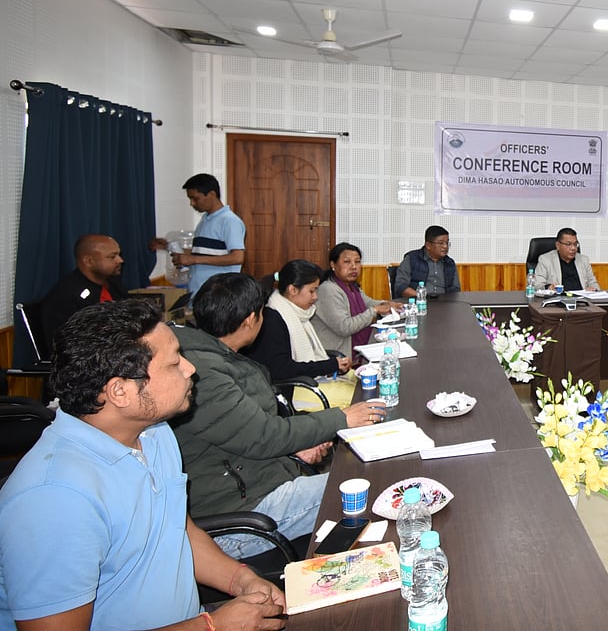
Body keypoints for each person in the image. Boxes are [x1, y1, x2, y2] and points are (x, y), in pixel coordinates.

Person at [0, 300, 286, 631]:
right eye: (174, 362)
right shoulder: (54, 499)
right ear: (120, 391)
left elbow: (178, 531)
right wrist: (214, 626)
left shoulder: (153, 433)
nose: (190, 368)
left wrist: (242, 580)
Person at [171, 274, 384, 559]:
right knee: (372, 488)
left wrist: (294, 448)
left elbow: (244, 431)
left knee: (362, 476)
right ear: (250, 319)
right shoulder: (204, 375)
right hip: (244, 513)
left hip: (259, 479)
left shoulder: (216, 356)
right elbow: (263, 436)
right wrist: (340, 419)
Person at [243, 259, 351, 385]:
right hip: (291, 390)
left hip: (306, 381)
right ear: (293, 290)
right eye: (312, 291)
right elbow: (282, 369)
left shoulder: (298, 313)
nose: (315, 297)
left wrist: (334, 364)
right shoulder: (272, 318)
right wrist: (329, 365)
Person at [151, 173, 246, 299]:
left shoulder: (230, 221)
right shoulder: (204, 221)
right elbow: (203, 253)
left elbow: (237, 257)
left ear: (211, 194)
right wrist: (169, 247)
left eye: (195, 199)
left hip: (219, 296)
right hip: (199, 293)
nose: (192, 203)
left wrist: (193, 260)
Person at [312, 242, 399, 358]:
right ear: (333, 264)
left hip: (357, 347)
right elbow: (345, 327)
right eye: (347, 262)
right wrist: (375, 310)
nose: (354, 266)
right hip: (339, 356)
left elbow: (367, 302)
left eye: (357, 262)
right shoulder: (328, 290)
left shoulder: (351, 286)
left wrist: (386, 304)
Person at [39, 233, 129, 341]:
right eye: (112, 257)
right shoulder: (67, 295)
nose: (120, 260)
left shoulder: (113, 284)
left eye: (119, 255)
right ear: (89, 261)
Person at [393, 224, 460, 298]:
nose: (445, 246)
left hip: (445, 304)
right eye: (441, 243)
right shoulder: (412, 259)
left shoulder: (449, 263)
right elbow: (400, 286)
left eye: (447, 243)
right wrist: (422, 296)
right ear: (428, 245)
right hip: (418, 303)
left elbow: (456, 290)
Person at [533, 227, 600, 292]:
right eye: (568, 244)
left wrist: (593, 289)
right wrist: (549, 287)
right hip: (558, 301)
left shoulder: (584, 260)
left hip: (581, 301)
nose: (573, 248)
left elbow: (593, 283)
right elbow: (538, 285)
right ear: (558, 245)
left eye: (575, 244)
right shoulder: (546, 260)